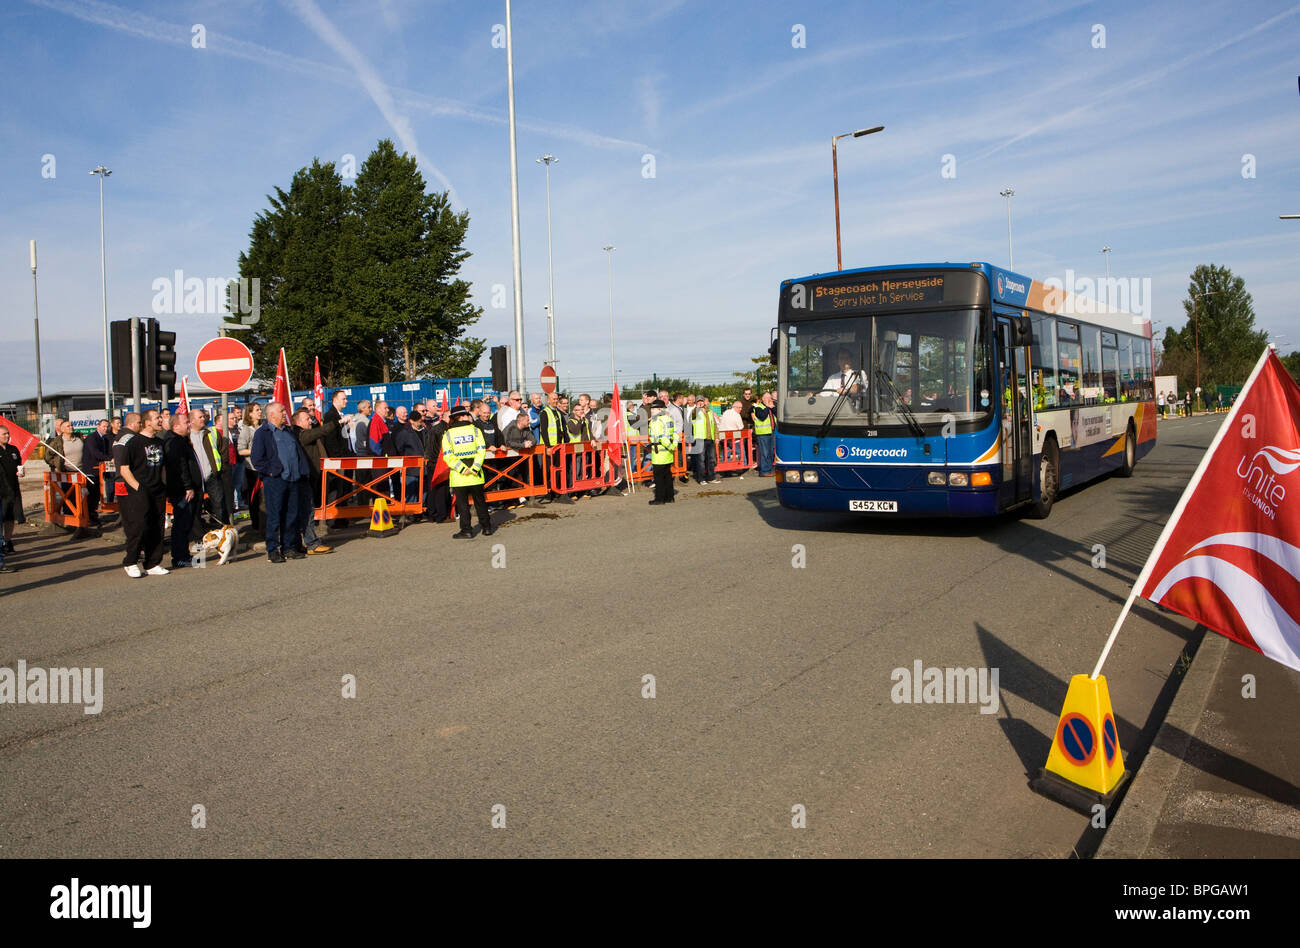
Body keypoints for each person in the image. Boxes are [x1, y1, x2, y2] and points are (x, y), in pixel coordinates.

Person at [251, 401, 310, 563]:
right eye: (282, 411)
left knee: (291, 516)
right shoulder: (263, 433)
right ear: (271, 415)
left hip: (293, 479)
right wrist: (272, 471)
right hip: (275, 481)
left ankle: (288, 547)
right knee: (275, 517)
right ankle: (273, 550)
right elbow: (257, 459)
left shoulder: (287, 431)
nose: (285, 413)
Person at [119, 409, 168, 577]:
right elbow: (124, 469)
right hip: (139, 491)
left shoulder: (160, 443)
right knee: (138, 527)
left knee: (157, 527)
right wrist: (138, 488)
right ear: (147, 422)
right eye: (157, 418)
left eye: (160, 418)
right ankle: (130, 562)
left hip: (158, 491)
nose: (161, 420)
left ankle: (152, 563)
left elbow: (163, 467)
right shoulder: (134, 442)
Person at [442, 406, 492, 539]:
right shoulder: (476, 431)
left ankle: (467, 530)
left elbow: (448, 456)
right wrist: (474, 467)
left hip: (459, 476)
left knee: (463, 505)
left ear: (454, 418)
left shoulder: (448, 434)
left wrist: (462, 469)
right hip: (476, 475)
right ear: (462, 417)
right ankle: (486, 527)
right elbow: (482, 451)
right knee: (480, 502)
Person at [290, 409, 335, 555]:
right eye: (307, 419)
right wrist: (337, 423)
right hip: (303, 477)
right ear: (298, 421)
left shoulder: (302, 432)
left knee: (305, 511)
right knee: (307, 512)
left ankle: (300, 543)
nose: (310, 421)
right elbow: (319, 432)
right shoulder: (301, 434)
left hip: (309, 476)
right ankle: (312, 543)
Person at [162, 412, 201, 569]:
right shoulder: (174, 442)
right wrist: (188, 487)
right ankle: (179, 557)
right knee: (181, 524)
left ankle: (183, 555)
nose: (189, 425)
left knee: (186, 523)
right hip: (181, 491)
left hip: (187, 489)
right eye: (186, 422)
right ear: (176, 426)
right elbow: (181, 466)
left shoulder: (182, 440)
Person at [188, 409, 229, 537]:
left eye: (203, 416)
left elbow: (223, 451)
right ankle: (199, 537)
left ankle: (223, 534)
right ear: (192, 420)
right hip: (195, 478)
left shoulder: (211, 432)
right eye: (200, 417)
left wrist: (221, 469)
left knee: (219, 505)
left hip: (212, 475)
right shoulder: (187, 435)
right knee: (196, 508)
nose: (203, 419)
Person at [0, 425, 26, 565]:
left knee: (11, 517)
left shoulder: (13, 449)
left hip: (14, 489)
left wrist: (21, 472)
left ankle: (8, 541)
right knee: (1, 517)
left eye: (8, 433)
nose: (7, 435)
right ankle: (1, 543)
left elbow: (19, 465)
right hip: (1, 491)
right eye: (4, 434)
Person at [83, 418, 114, 524]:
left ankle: (93, 515)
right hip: (91, 469)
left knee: (96, 494)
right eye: (104, 426)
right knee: (92, 494)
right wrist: (109, 459)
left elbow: (107, 451)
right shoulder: (92, 437)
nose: (106, 428)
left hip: (100, 469)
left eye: (107, 426)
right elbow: (95, 452)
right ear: (98, 426)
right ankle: (90, 516)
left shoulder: (104, 439)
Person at [647, 400, 676, 505]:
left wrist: (669, 445)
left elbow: (660, 437)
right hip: (668, 453)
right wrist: (673, 446)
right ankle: (669, 497)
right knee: (667, 476)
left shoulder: (655, 421)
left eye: (653, 409)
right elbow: (675, 434)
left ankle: (659, 499)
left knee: (659, 478)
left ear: (660, 409)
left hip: (659, 452)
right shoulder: (669, 419)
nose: (651, 411)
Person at [692, 396, 720, 484]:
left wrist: (716, 437)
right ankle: (701, 478)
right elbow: (691, 416)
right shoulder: (695, 412)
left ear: (704, 402)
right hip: (700, 439)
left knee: (711, 459)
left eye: (702, 401)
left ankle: (711, 477)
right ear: (696, 403)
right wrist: (697, 408)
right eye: (698, 401)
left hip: (709, 438)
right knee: (701, 460)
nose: (700, 403)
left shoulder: (710, 412)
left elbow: (714, 425)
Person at [752, 391, 776, 476]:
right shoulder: (758, 407)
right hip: (763, 434)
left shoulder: (771, 407)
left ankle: (769, 470)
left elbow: (777, 414)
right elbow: (762, 417)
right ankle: (764, 471)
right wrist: (767, 407)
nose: (769, 400)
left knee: (770, 453)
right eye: (767, 398)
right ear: (762, 399)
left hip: (772, 432)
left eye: (770, 398)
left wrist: (772, 408)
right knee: (765, 453)